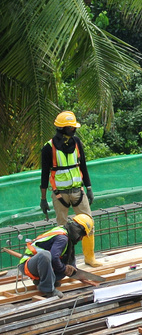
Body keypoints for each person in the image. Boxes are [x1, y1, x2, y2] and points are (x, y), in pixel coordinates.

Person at [39, 111, 99, 266]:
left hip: (78, 191)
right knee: (62, 230)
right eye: (70, 128)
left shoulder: (77, 143)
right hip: (60, 195)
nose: (74, 130)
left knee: (89, 223)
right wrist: (43, 199)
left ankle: (89, 257)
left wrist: (89, 188)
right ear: (62, 128)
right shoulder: (48, 148)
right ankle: (66, 263)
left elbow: (83, 167)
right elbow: (45, 174)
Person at [17, 214, 94, 298]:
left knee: (65, 266)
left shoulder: (68, 237)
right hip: (28, 264)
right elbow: (54, 258)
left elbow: (70, 262)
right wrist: (64, 269)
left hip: (38, 265)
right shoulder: (62, 238)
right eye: (82, 235)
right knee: (46, 255)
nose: (81, 239)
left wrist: (78, 275)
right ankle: (48, 289)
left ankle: (46, 281)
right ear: (79, 230)